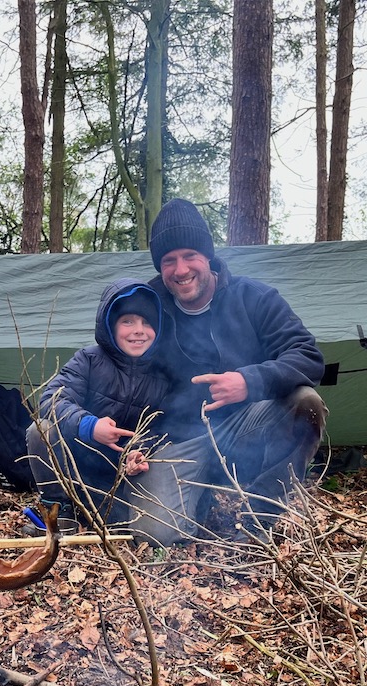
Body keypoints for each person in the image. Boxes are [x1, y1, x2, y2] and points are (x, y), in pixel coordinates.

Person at [127, 198, 328, 545]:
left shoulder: (254, 298)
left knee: (305, 403)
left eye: (190, 255)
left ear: (208, 257)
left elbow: (308, 355)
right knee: (154, 534)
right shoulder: (147, 307)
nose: (180, 269)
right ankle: (196, 501)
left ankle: (259, 516)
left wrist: (250, 382)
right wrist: (134, 437)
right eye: (168, 260)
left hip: (244, 428)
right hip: (177, 440)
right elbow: (116, 365)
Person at [25, 278, 171, 532]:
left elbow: (164, 429)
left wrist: (137, 453)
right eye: (128, 321)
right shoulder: (89, 359)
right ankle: (58, 511)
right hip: (77, 467)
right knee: (41, 431)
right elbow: (50, 400)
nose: (139, 330)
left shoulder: (163, 376)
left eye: (147, 323)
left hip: (120, 478)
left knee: (139, 529)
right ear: (109, 326)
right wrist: (89, 425)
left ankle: (100, 511)